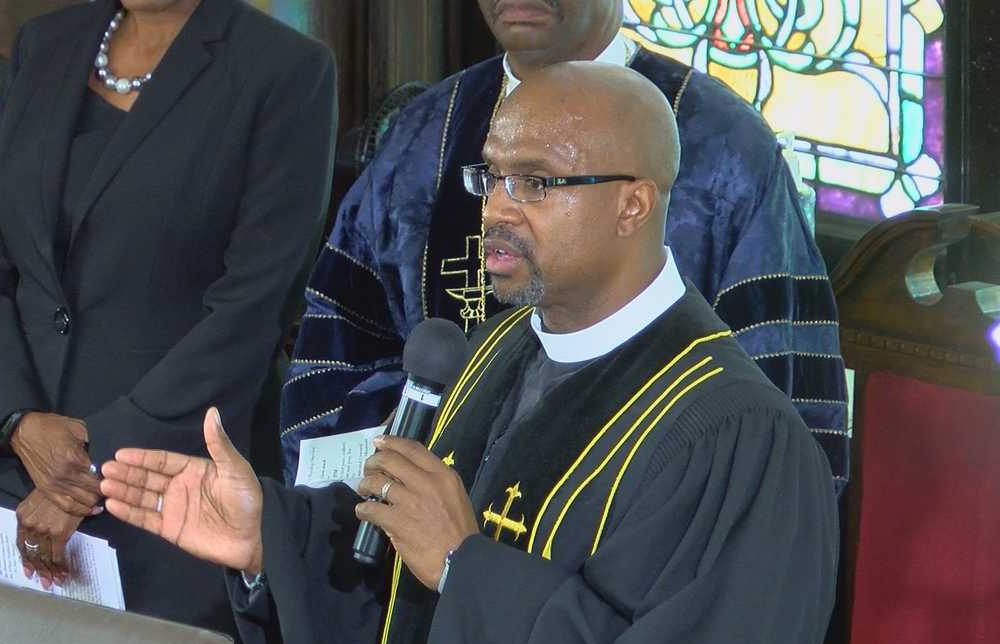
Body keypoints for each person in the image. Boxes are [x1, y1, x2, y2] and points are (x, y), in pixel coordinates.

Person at [100, 63, 839, 644]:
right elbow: (395, 599)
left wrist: (463, 566)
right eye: (491, 177)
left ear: (633, 206)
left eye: (536, 182)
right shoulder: (494, 348)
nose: (497, 210)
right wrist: (271, 536)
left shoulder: (739, 440)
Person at [281, 0, 849, 494]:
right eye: (494, 178)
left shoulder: (724, 149)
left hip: (631, 533)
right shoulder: (426, 132)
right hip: (409, 527)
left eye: (534, 181)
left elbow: (775, 407)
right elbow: (339, 350)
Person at [0, 0, 335, 644]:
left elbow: (251, 310)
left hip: (173, 504)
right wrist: (16, 422)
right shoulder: (45, 43)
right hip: (19, 487)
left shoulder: (286, 70)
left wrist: (91, 463)